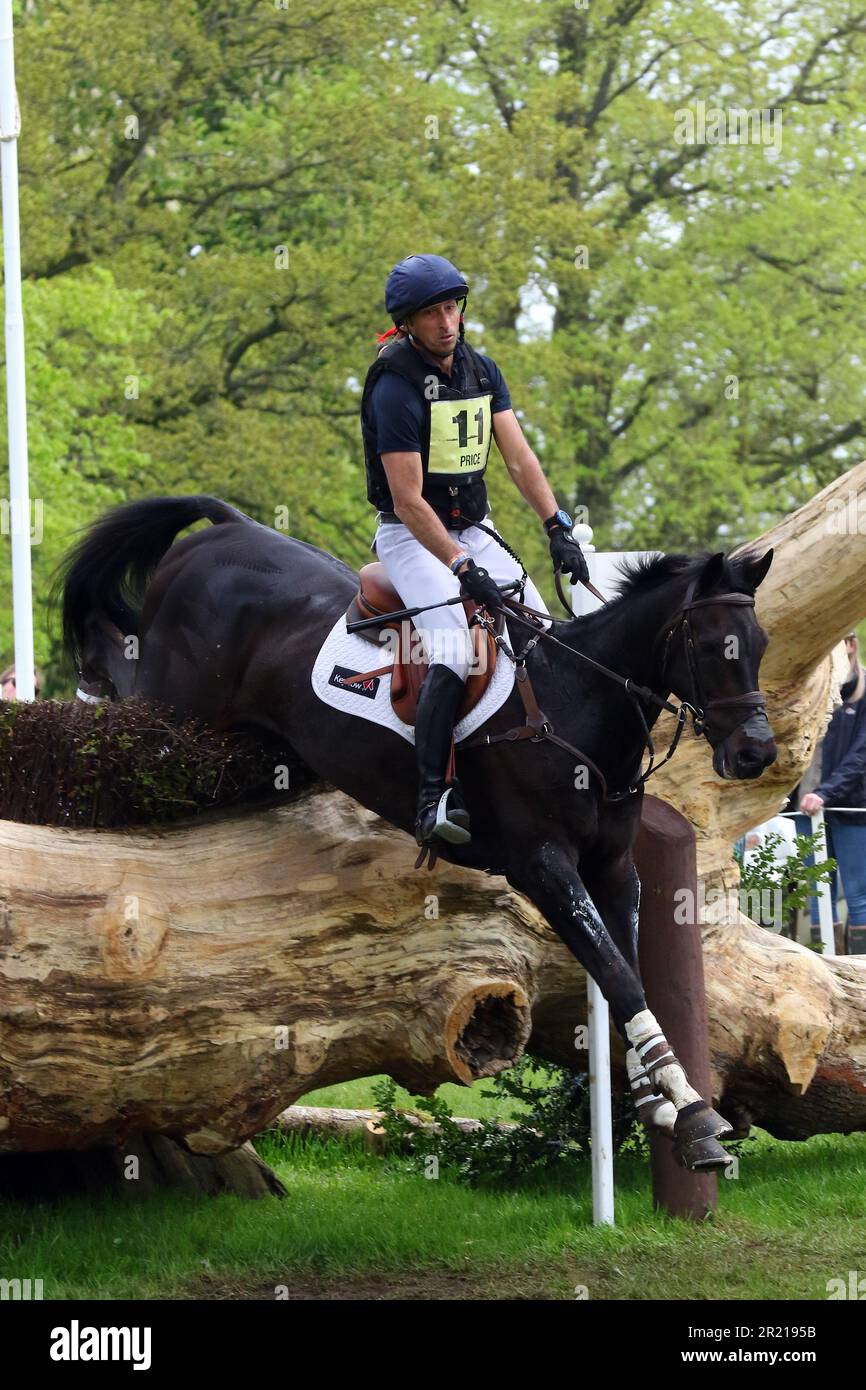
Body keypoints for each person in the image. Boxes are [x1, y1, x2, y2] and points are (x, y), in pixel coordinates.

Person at [360, 253, 588, 854]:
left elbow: (519, 459)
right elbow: (408, 501)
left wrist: (557, 526)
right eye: (432, 312)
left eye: (452, 307)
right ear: (407, 323)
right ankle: (432, 796)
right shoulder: (395, 386)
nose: (446, 321)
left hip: (474, 528)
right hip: (411, 537)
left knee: (542, 635)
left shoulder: (481, 370)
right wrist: (462, 568)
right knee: (455, 648)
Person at [798, 633, 866, 949]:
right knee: (816, 893)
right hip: (805, 807)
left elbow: (861, 755)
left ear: (851, 645)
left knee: (857, 893)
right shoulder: (810, 687)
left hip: (851, 808)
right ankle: (826, 969)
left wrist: (826, 793)